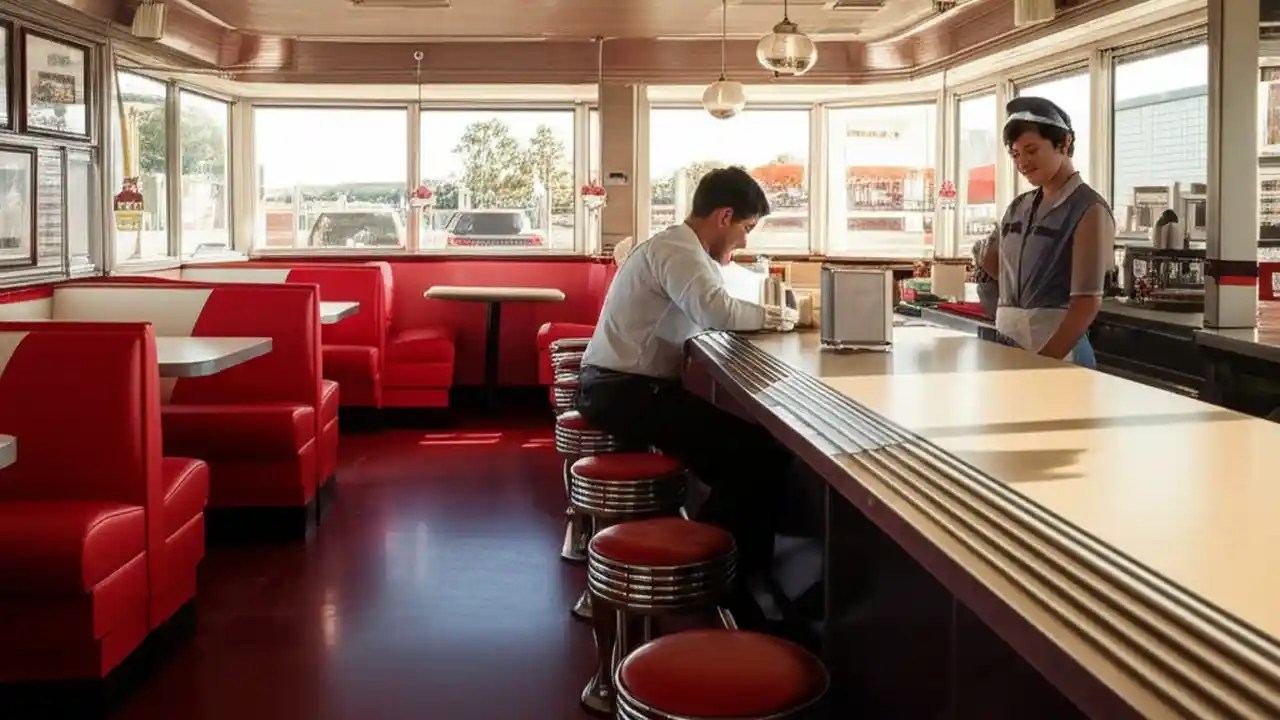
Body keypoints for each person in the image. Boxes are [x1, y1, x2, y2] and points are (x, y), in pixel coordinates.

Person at [575, 166, 798, 584]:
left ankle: (717, 558)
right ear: (724, 216)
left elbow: (714, 304)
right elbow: (715, 311)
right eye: (747, 227)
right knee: (756, 457)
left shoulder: (682, 248)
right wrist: (783, 318)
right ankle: (718, 575)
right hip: (622, 390)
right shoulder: (678, 248)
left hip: (620, 385)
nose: (746, 240)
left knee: (745, 455)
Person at [979, 96, 1114, 368]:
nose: (1022, 162)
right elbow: (1007, 275)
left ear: (1063, 143)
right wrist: (987, 259)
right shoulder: (1017, 207)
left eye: (1031, 150)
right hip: (1010, 346)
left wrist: (1045, 363)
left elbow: (1086, 302)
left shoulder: (1089, 209)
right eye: (1015, 154)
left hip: (1059, 351)